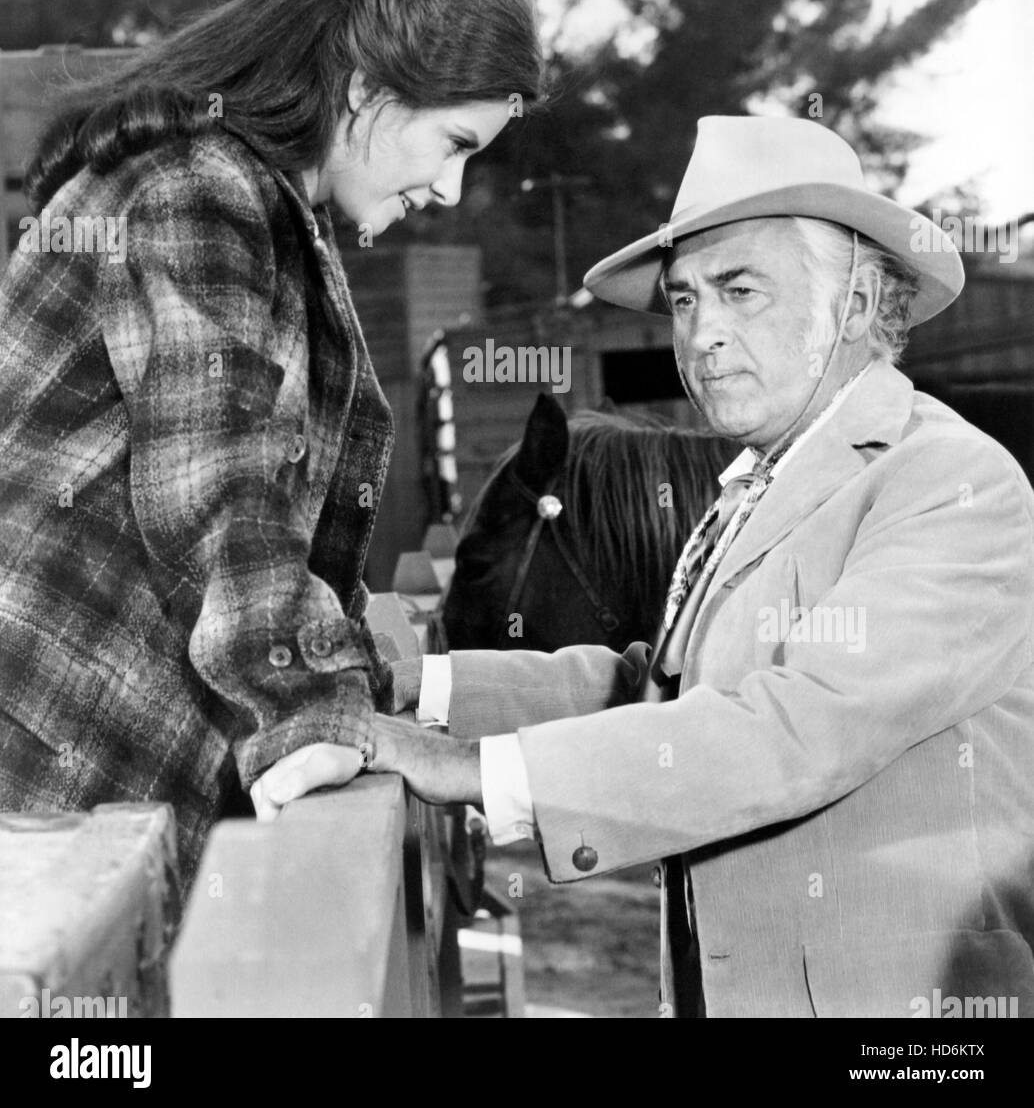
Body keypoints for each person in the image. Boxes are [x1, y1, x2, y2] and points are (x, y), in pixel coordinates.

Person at [253, 115, 1034, 1018]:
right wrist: (416, 685)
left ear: (855, 306)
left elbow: (795, 729)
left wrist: (464, 767)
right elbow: (656, 696)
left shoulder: (951, 482)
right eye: (687, 299)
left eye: (741, 291)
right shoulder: (753, 485)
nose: (700, 335)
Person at [0, 0, 543, 887]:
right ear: (366, 84)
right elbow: (224, 491)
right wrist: (322, 715)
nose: (455, 189)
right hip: (47, 794)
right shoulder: (192, 189)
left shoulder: (260, 203)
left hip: (88, 789)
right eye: (455, 141)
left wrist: (364, 684)